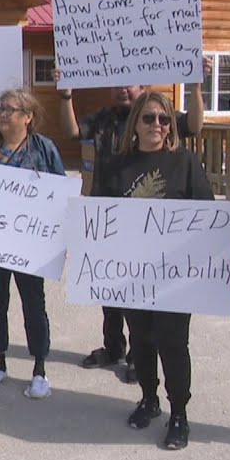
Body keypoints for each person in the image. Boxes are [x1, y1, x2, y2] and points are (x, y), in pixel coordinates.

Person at [96, 91, 230, 450]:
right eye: (148, 118)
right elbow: (97, 217)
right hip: (132, 273)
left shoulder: (184, 162)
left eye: (163, 119)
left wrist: (225, 252)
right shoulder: (115, 165)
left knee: (173, 343)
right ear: (135, 123)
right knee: (141, 340)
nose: (156, 125)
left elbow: (208, 214)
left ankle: (179, 414)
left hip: (175, 275)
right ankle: (148, 399)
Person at [56, 62, 209, 382]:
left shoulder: (157, 117)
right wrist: (65, 95)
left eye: (132, 83)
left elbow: (193, 125)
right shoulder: (103, 118)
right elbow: (72, 132)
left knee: (144, 296)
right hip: (107, 211)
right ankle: (114, 348)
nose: (124, 89)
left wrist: (195, 86)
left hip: (150, 221)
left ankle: (141, 358)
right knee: (111, 290)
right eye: (118, 83)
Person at [0, 89, 67, 400]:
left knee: (33, 304)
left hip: (31, 244)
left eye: (10, 109)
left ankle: (40, 370)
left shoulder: (43, 149)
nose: (3, 114)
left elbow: (60, 192)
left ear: (27, 116)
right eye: (0, 108)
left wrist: (61, 236)